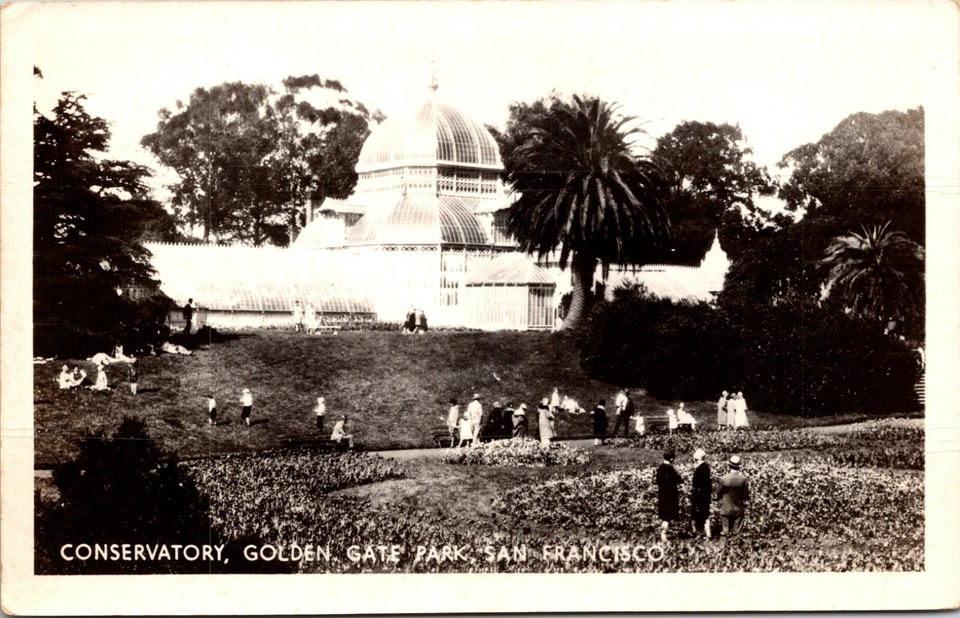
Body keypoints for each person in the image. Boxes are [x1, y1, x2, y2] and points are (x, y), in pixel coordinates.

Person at [716, 455, 750, 539]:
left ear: (729, 466)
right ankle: (736, 549)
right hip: (738, 508)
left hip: (726, 508)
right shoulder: (744, 479)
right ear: (738, 467)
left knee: (725, 531)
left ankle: (724, 549)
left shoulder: (724, 479)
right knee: (737, 533)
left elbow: (718, 493)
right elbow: (745, 495)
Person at [655, 450, 683, 543]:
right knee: (668, 516)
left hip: (662, 495)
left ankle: (663, 533)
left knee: (664, 516)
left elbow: (657, 481)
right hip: (670, 496)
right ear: (671, 459)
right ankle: (663, 535)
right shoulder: (670, 469)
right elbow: (678, 479)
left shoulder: (660, 468)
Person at [691, 448, 712, 538]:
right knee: (704, 513)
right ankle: (707, 533)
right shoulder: (705, 467)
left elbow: (698, 483)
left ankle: (699, 532)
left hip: (699, 495)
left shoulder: (700, 468)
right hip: (704, 495)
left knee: (699, 513)